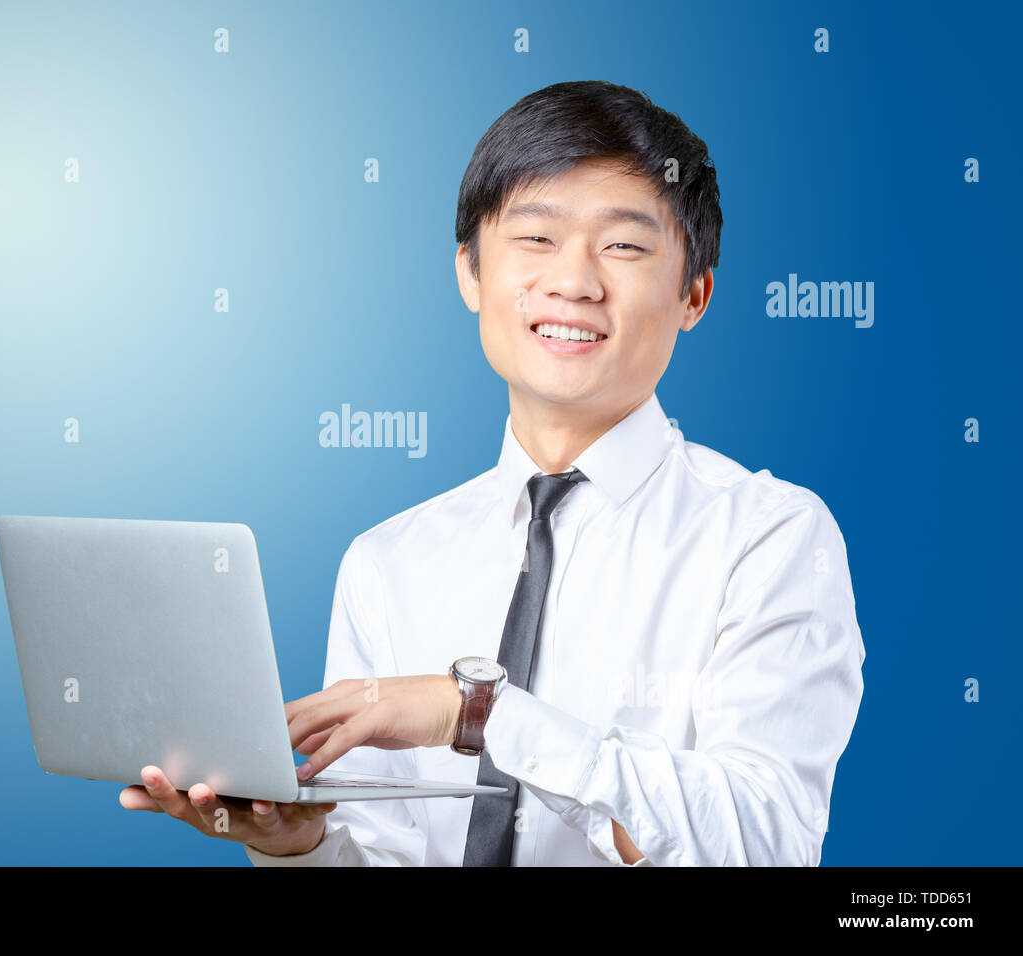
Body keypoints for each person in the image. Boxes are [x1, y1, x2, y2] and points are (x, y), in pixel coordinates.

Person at [119, 79, 865, 866]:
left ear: (694, 294)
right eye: (536, 239)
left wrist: (478, 714)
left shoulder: (768, 536)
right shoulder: (388, 561)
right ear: (471, 273)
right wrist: (298, 847)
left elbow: (766, 844)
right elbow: (384, 852)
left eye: (625, 246)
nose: (574, 281)